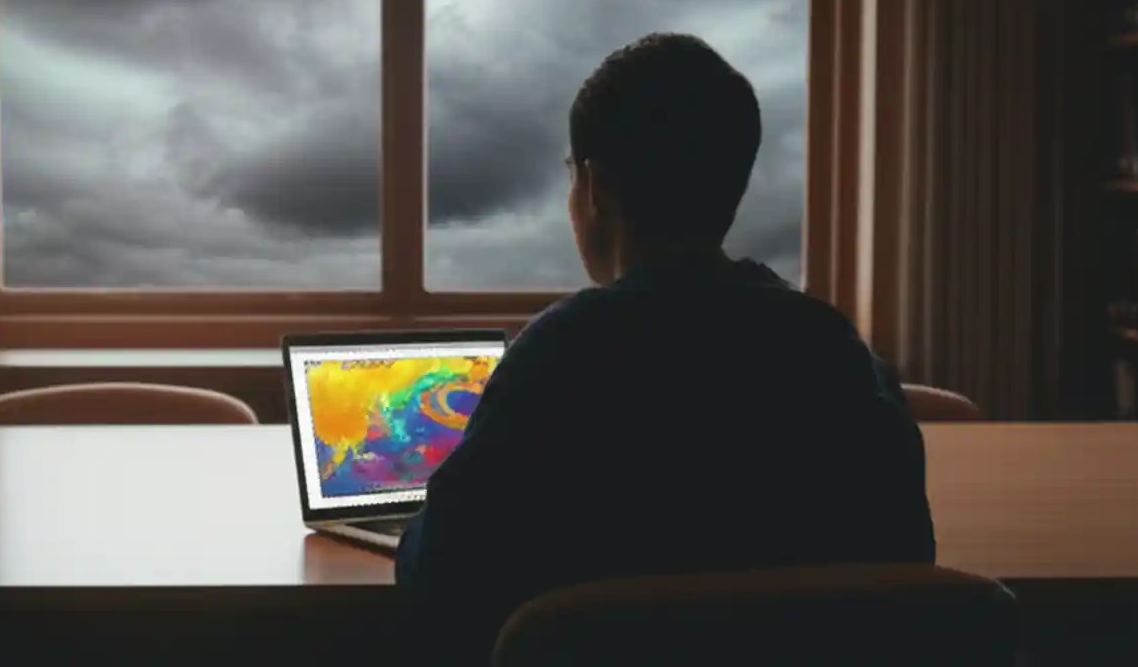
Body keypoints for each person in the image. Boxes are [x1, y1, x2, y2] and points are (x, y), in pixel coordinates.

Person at [396, 33, 935, 663]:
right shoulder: (835, 350)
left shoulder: (557, 356)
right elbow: (908, 565)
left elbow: (438, 584)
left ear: (592, 187)